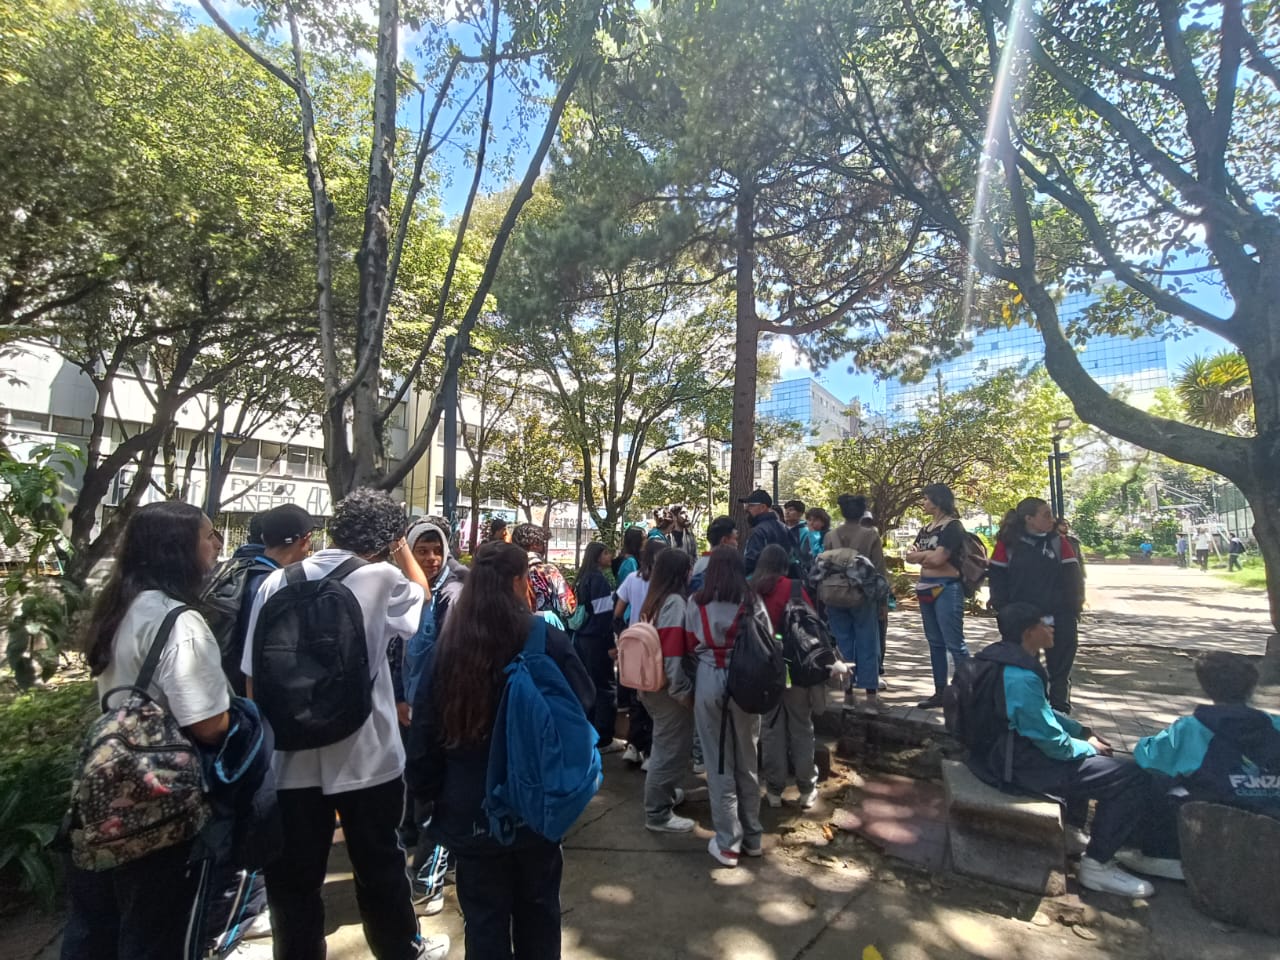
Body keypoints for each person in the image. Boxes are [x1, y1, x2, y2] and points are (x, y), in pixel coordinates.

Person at [242, 489, 449, 960]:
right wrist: (400, 547)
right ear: (388, 538)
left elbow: (254, 678)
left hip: (291, 760)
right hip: (367, 755)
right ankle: (401, 949)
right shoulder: (381, 577)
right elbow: (423, 595)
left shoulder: (277, 582)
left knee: (293, 879)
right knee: (379, 863)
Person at [406, 542, 592, 960]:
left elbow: (424, 735)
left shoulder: (451, 646)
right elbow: (584, 704)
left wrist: (427, 799)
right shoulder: (546, 638)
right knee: (540, 911)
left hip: (470, 806)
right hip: (536, 803)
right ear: (517, 580)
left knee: (484, 919)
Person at [63, 501, 232, 960]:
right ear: (176, 549)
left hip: (107, 794)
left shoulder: (121, 607)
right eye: (208, 535)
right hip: (160, 803)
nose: (217, 544)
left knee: (100, 927)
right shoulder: (180, 622)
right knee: (156, 931)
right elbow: (209, 724)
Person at [969, 603, 1160, 898]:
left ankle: (1071, 831)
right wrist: (1087, 745)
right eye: (1046, 622)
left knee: (1088, 755)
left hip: (995, 754)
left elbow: (1040, 713)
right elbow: (1053, 744)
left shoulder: (999, 659)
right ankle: (1097, 865)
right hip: (1015, 765)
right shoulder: (1020, 676)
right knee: (1131, 775)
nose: (1052, 627)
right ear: (1029, 631)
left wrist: (1080, 731)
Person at [1127, 652, 1280, 879]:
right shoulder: (1274, 725)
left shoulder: (1193, 728)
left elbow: (1147, 755)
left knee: (1150, 778)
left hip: (1212, 815)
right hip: (1270, 816)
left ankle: (1162, 854)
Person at [684, 546, 770, 867]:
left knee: (719, 763)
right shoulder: (752, 601)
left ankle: (728, 843)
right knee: (748, 760)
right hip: (746, 683)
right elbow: (766, 640)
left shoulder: (696, 602)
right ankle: (753, 837)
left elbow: (691, 642)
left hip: (710, 679)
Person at [988, 497, 1084, 714]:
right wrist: (1003, 610)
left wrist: (1073, 610)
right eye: (1046, 515)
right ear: (1029, 519)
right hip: (1023, 618)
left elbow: (1074, 579)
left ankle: (1060, 713)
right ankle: (1030, 712)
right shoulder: (1008, 544)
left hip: (1060, 616)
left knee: (1060, 671)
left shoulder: (1060, 543)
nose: (1052, 519)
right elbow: (997, 578)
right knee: (1025, 667)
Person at [753, 545, 825, 809]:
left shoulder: (752, 590)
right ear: (785, 564)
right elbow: (812, 624)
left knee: (771, 730)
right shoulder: (794, 588)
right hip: (796, 670)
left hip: (765, 671)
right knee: (801, 727)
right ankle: (806, 788)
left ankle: (773, 790)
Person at [637, 549, 697, 833]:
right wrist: (681, 689)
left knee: (666, 744)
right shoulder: (673, 602)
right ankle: (657, 813)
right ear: (681, 572)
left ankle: (666, 795)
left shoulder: (654, 599)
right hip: (666, 689)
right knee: (669, 750)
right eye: (689, 567)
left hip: (650, 684)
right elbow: (672, 652)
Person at [905, 483, 970, 709]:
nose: (923, 502)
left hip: (947, 587)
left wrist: (922, 557)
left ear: (938, 500)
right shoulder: (925, 529)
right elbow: (909, 556)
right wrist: (926, 556)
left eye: (926, 498)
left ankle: (968, 690)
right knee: (934, 642)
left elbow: (938, 559)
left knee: (955, 642)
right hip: (925, 587)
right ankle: (940, 691)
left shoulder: (953, 527)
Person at [824, 495, 889, 711]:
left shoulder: (831, 535)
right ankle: (871, 698)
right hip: (862, 596)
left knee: (843, 645)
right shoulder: (870, 535)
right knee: (867, 642)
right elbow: (879, 569)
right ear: (862, 512)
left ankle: (848, 696)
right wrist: (883, 602)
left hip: (834, 596)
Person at [613, 539, 668, 764]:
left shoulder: (631, 579)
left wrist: (622, 636)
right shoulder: (664, 582)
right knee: (655, 696)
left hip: (635, 642)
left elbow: (617, 612)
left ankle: (634, 745)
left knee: (637, 695)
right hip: (657, 643)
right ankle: (650, 752)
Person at [574, 542, 623, 754]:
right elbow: (604, 615)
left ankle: (589, 731)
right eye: (606, 552)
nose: (610, 556)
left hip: (582, 638)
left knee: (589, 685)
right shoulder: (598, 580)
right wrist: (611, 644)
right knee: (605, 687)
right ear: (597, 556)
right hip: (598, 639)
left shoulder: (582, 578)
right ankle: (604, 737)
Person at [512, 523, 578, 625]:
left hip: (512, 629)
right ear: (535, 544)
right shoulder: (548, 571)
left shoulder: (507, 570)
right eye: (542, 542)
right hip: (545, 630)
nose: (544, 546)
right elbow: (568, 608)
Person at [740, 489, 792, 576]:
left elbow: (751, 560)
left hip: (762, 581)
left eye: (751, 505)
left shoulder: (759, 531)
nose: (747, 509)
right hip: (783, 578)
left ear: (763, 507)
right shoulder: (783, 527)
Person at [691, 515, 738, 592]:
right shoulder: (721, 564)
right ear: (724, 540)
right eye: (735, 539)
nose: (737, 543)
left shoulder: (700, 563)